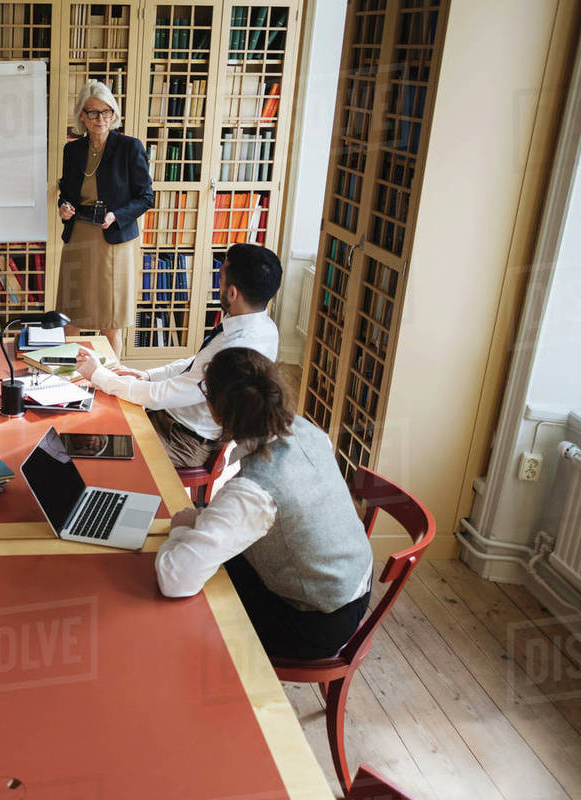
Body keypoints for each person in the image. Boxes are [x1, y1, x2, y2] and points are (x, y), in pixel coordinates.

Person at [154, 348, 373, 659]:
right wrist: (203, 522)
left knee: (186, 610)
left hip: (314, 622)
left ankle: (211, 679)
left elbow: (174, 581)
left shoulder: (255, 490)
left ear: (216, 412)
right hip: (351, 586)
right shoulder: (306, 430)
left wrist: (179, 530)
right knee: (214, 562)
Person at [75, 242, 282, 468]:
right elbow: (197, 363)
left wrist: (99, 375)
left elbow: (163, 395)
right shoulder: (262, 326)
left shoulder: (238, 347)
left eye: (220, 277)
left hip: (183, 440)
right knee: (92, 418)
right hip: (170, 420)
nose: (217, 283)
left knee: (89, 448)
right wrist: (147, 376)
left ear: (232, 293)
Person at [56, 80, 154, 359]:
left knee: (111, 322)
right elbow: (67, 193)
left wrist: (116, 215)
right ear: (82, 116)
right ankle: (70, 378)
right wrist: (64, 207)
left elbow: (146, 197)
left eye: (106, 112)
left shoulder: (129, 147)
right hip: (79, 237)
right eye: (92, 112)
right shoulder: (72, 150)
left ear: (113, 114)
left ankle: (110, 379)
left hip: (114, 240)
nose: (100, 119)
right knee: (71, 318)